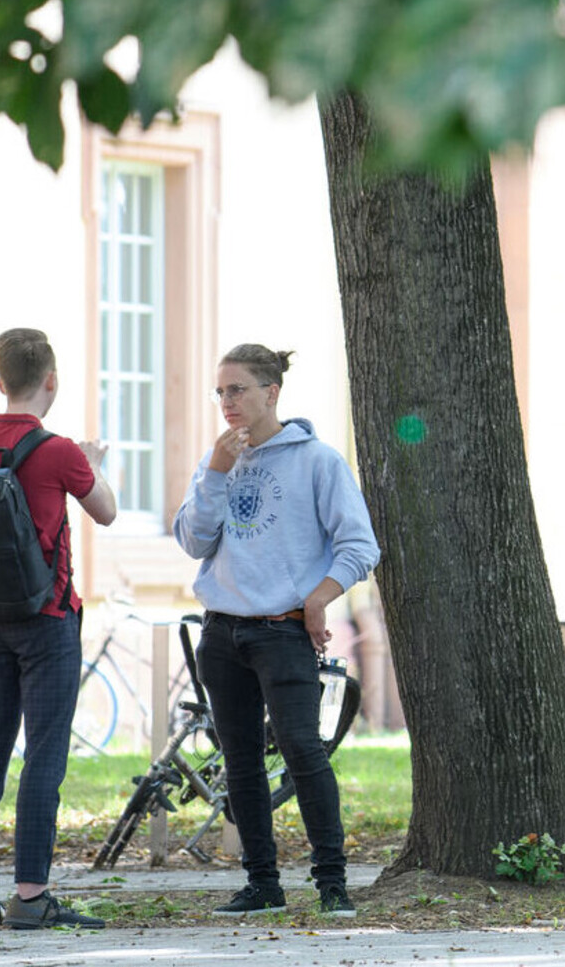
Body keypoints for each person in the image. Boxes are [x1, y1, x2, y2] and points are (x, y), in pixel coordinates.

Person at [173, 344, 379, 919]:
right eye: (220, 392)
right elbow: (193, 542)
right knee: (239, 763)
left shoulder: (317, 461)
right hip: (223, 633)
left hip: (282, 631)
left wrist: (320, 596)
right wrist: (215, 472)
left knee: (303, 751)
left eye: (237, 390)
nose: (227, 402)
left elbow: (360, 545)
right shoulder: (217, 460)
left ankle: (333, 883)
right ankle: (262, 883)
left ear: (272, 392)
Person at [0, 328, 118, 930]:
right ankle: (32, 897)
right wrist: (93, 464)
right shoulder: (58, 449)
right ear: (51, 380)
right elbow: (107, 511)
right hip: (46, 618)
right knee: (44, 753)